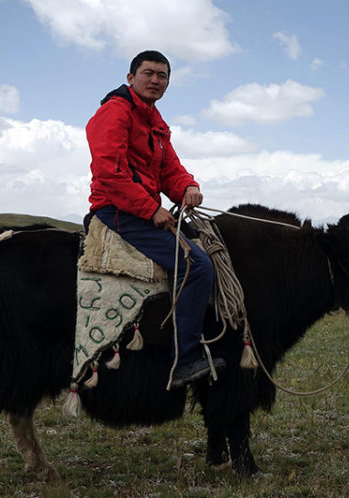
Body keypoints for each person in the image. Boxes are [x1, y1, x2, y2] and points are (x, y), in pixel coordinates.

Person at [86, 50, 224, 388]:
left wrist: (188, 186)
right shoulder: (114, 113)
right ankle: (185, 358)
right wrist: (150, 209)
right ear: (131, 77)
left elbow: (169, 170)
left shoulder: (154, 120)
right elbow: (110, 173)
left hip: (141, 211)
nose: (155, 80)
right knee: (197, 265)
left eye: (162, 76)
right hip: (118, 210)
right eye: (148, 73)